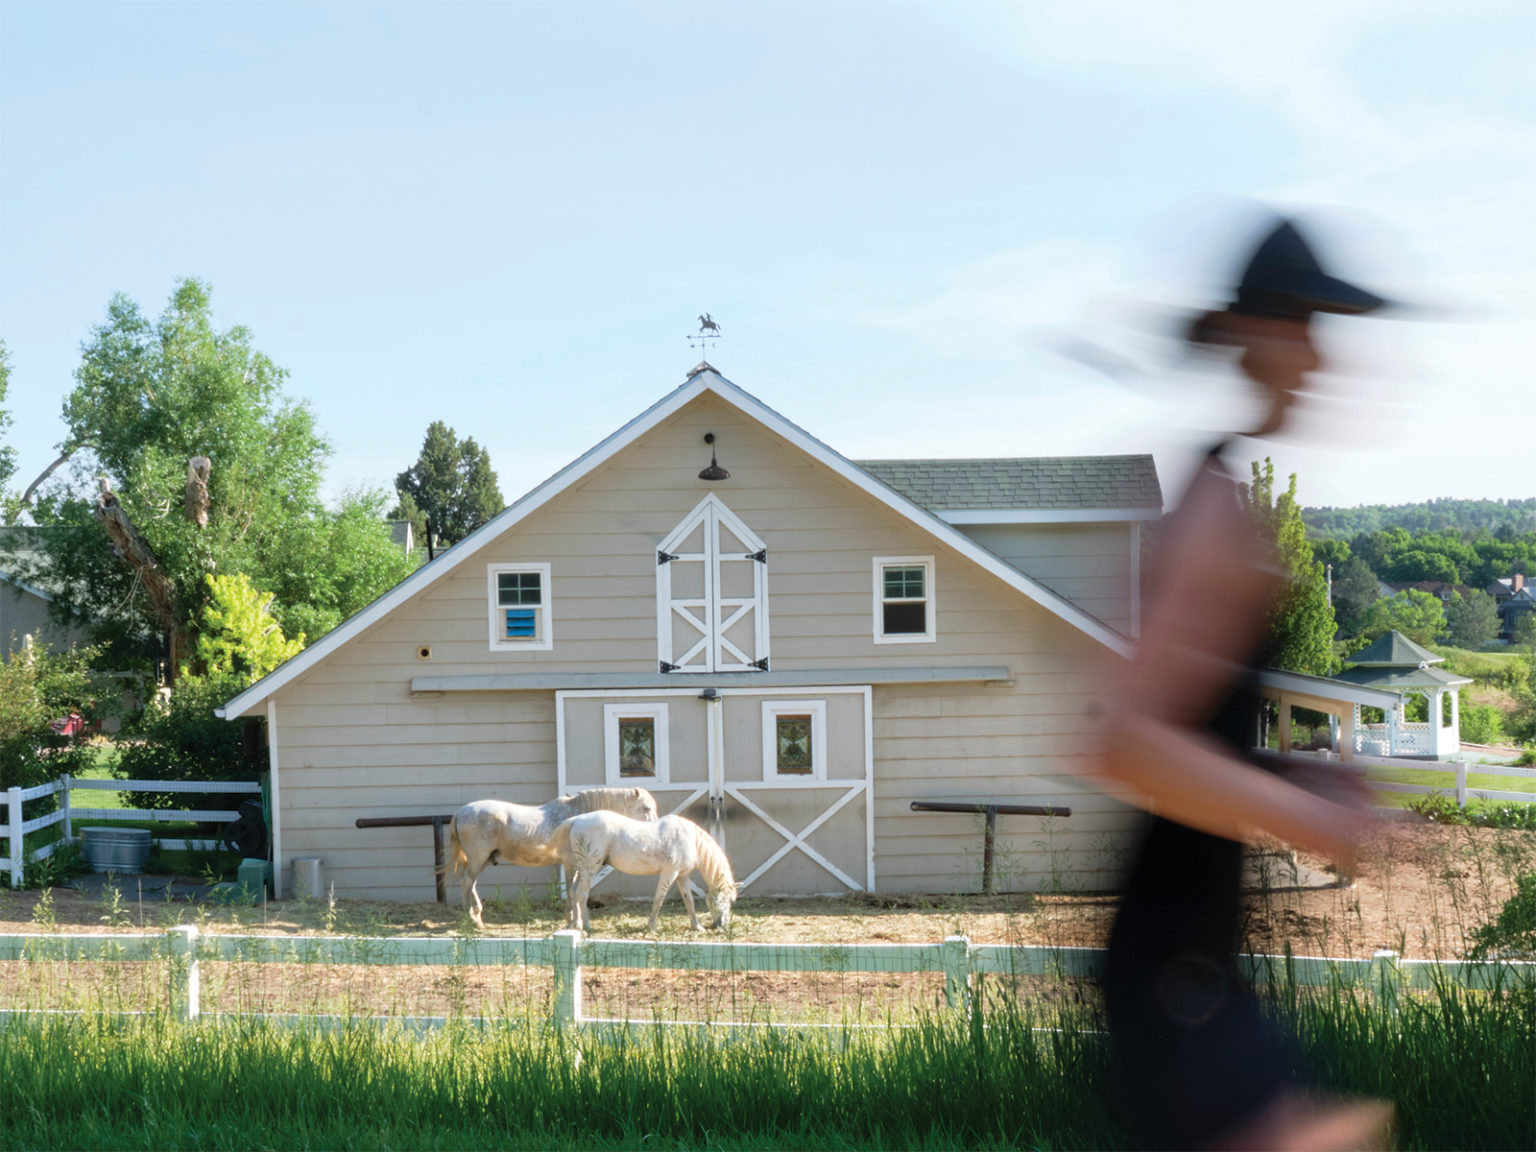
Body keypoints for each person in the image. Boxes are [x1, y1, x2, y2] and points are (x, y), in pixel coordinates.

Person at [1097, 216, 1396, 1151]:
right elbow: (1123, 741)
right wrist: (1312, 818)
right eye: (1306, 327)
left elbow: (1197, 735)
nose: (1319, 358)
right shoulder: (1217, 516)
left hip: (1199, 964)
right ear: (1256, 338)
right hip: (1172, 970)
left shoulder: (1228, 501)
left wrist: (1298, 776)